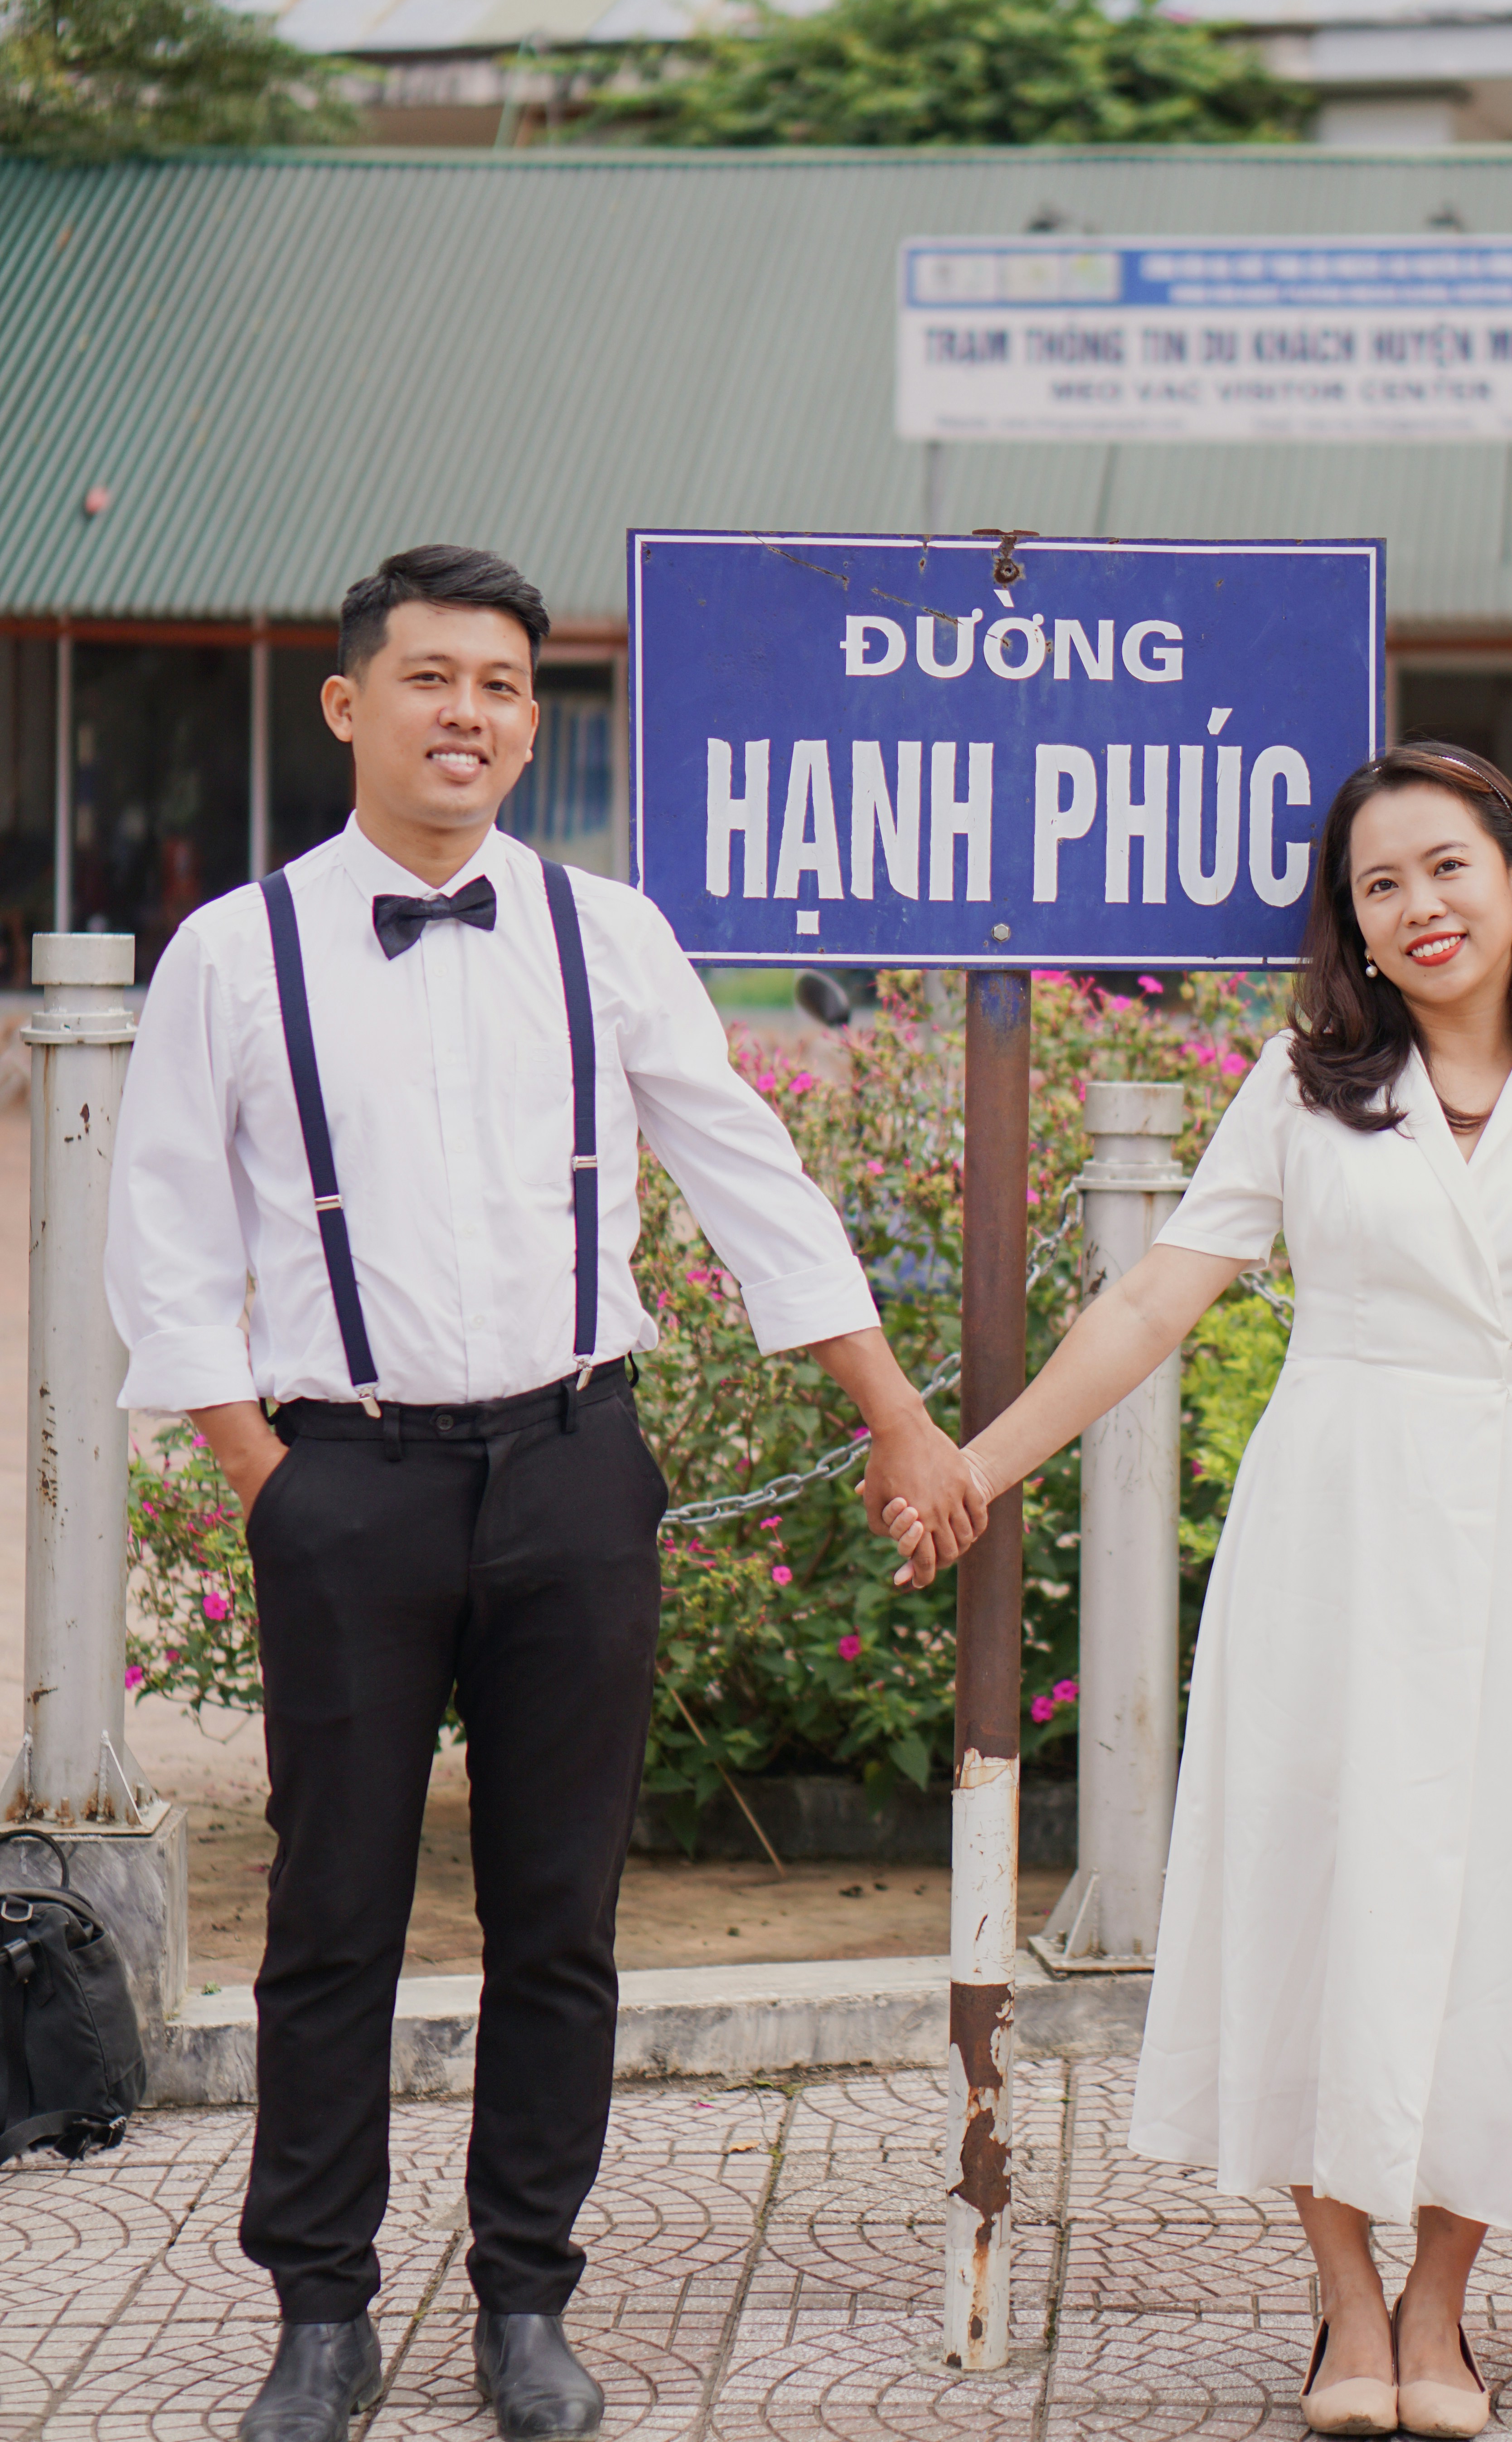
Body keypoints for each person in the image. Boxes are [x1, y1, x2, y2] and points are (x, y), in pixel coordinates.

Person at [105, 544, 982, 2442]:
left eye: (501, 684)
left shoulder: (611, 933)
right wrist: (269, 1479)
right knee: (331, 1910)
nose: (468, 714)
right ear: (350, 707)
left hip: (581, 1465)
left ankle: (527, 2296)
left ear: (529, 714)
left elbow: (749, 1178)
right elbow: (164, 1238)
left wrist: (898, 1414)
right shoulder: (235, 952)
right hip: (342, 1477)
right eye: (430, 680)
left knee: (559, 1912)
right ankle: (320, 2312)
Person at [885, 743, 1512, 2440]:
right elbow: (1146, 1308)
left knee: (1498, 1904)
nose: (1418, 904)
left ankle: (1442, 2309)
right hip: (1328, 1527)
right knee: (1316, 1877)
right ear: (1355, 928)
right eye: (1378, 884)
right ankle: (1340, 2302)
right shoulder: (1302, 1087)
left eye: (1446, 866)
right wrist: (981, 1459)